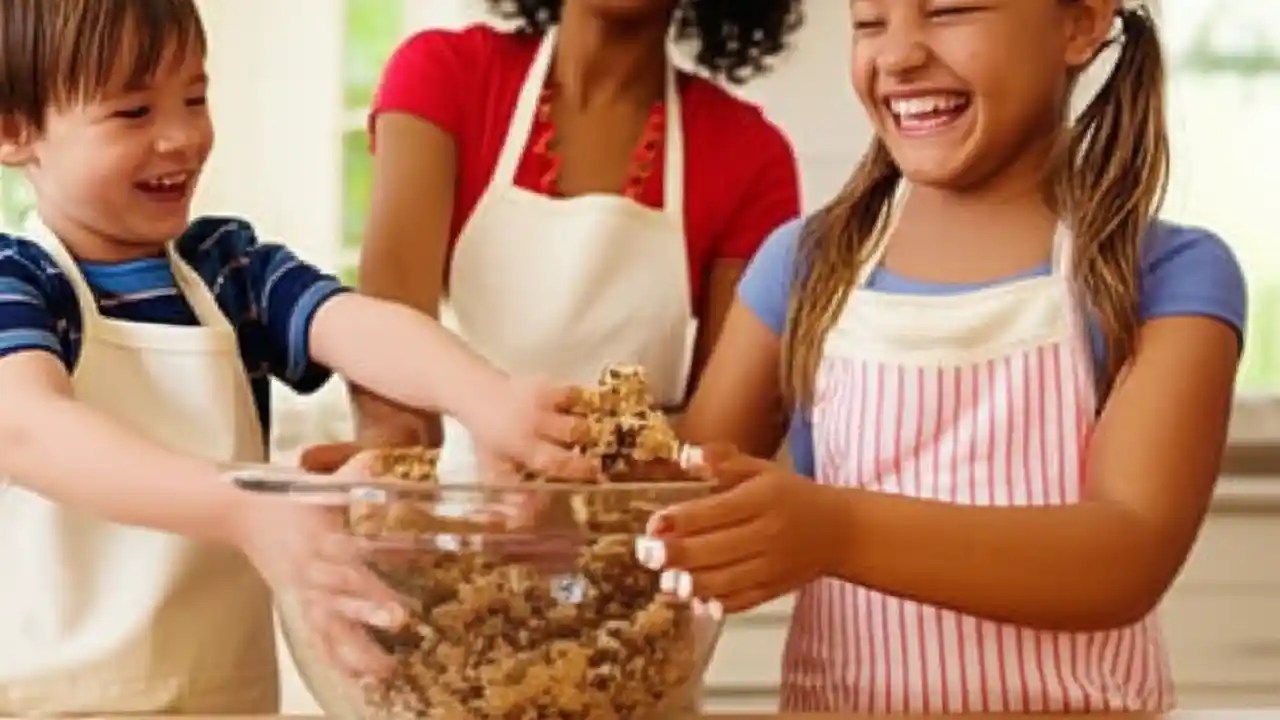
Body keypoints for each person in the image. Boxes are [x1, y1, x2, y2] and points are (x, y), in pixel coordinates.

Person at [648, 0, 1247, 714]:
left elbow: (1126, 555)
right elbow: (675, 501)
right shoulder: (806, 267)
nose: (898, 55)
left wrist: (834, 531)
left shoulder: (1166, 275)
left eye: (950, 10)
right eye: (869, 24)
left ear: (1081, 24)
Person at [0, 0, 593, 713]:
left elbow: (358, 326)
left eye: (195, 97)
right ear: (15, 129)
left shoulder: (227, 269)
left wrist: (485, 397)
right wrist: (246, 511)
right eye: (134, 112)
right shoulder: (18, 280)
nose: (183, 136)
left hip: (227, 697)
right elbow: (26, 427)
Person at [329, 0, 804, 474]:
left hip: (638, 530)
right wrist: (401, 489)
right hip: (459, 507)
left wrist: (579, 490)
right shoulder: (445, 76)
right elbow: (391, 357)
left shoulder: (750, 156)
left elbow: (721, 443)